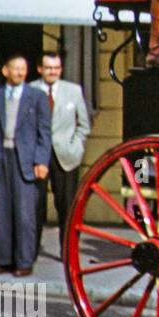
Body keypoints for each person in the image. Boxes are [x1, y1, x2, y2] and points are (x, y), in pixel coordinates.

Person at [0, 55, 51, 277]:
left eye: (23, 69)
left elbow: (44, 132)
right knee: (2, 212)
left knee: (25, 214)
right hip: (2, 158)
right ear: (5, 71)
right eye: (16, 69)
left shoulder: (37, 96)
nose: (20, 73)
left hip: (26, 161)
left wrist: (41, 160)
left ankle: (24, 262)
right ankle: (4, 260)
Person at [30, 51, 92, 252]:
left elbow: (84, 125)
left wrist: (76, 147)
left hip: (66, 156)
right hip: (37, 156)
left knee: (67, 206)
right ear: (40, 69)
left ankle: (68, 251)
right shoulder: (30, 90)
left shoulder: (73, 90)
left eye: (56, 68)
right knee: (35, 205)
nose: (53, 72)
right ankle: (31, 250)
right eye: (48, 68)